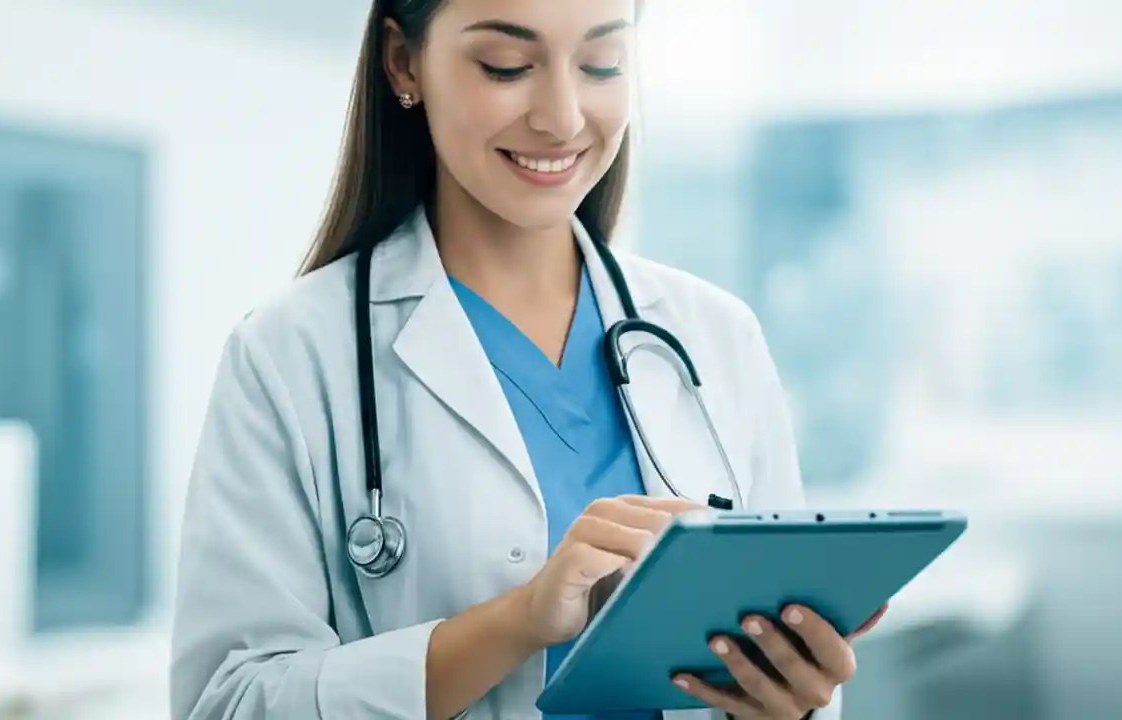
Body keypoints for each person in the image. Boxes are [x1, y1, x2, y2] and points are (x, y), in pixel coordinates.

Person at [170, 1, 886, 718]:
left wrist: (789, 697)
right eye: (506, 66)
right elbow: (229, 702)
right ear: (404, 62)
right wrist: (518, 621)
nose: (563, 118)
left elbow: (787, 690)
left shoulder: (717, 336)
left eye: (601, 64)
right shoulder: (290, 355)